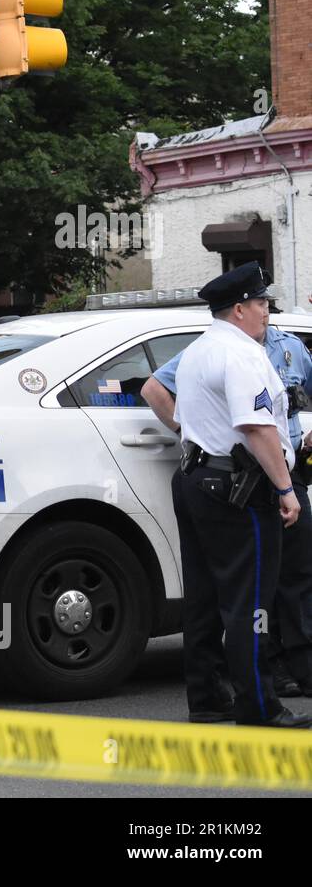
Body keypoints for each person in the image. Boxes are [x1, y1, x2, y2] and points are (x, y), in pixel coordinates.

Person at [144, 293, 312, 699]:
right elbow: (257, 428)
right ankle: (260, 702)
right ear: (239, 309)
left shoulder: (202, 349)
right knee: (250, 600)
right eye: (261, 305)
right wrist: (285, 489)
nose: (268, 313)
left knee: (204, 597)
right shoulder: (241, 354)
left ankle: (207, 698)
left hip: (198, 477)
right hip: (242, 484)